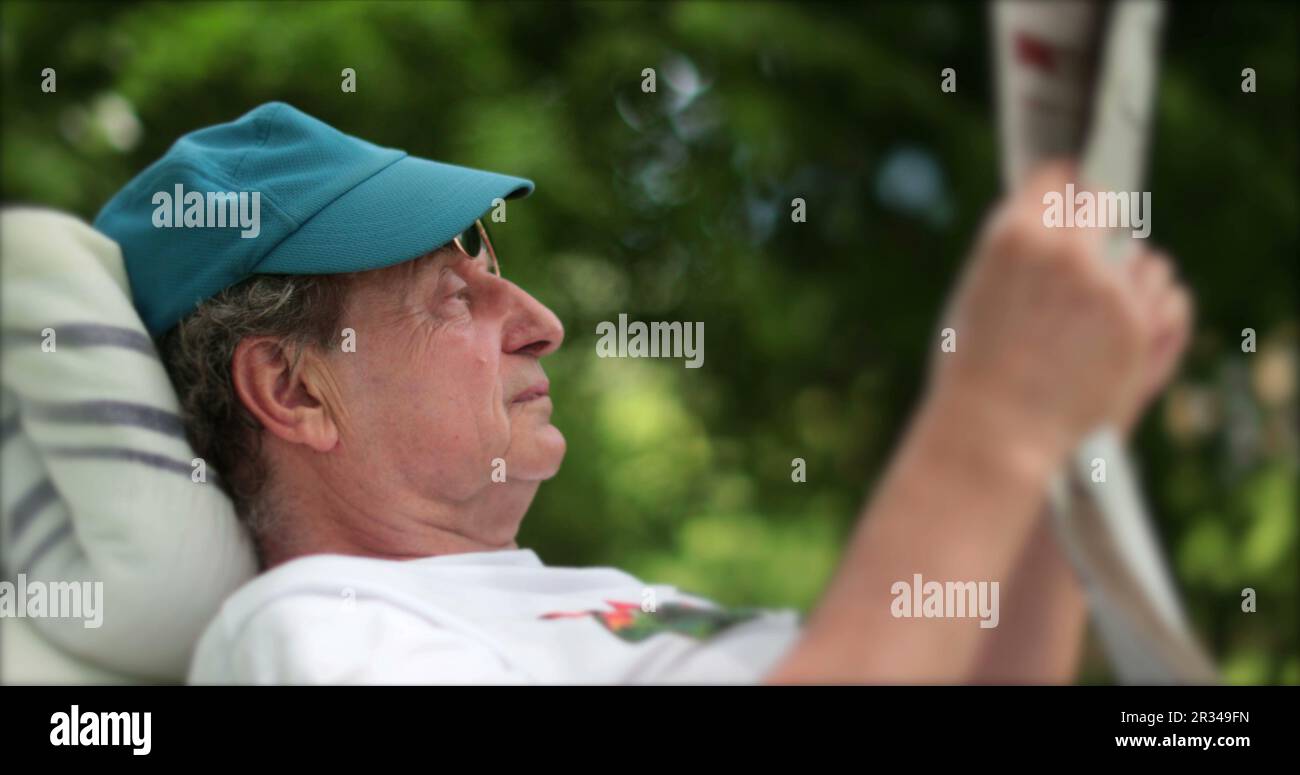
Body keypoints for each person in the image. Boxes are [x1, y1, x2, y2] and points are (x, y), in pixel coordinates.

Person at [93, 102, 1191, 684]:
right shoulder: (313, 631)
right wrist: (986, 425)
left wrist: (1059, 459)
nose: (538, 319)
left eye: (494, 268)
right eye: (447, 295)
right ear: (293, 389)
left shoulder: (548, 599)